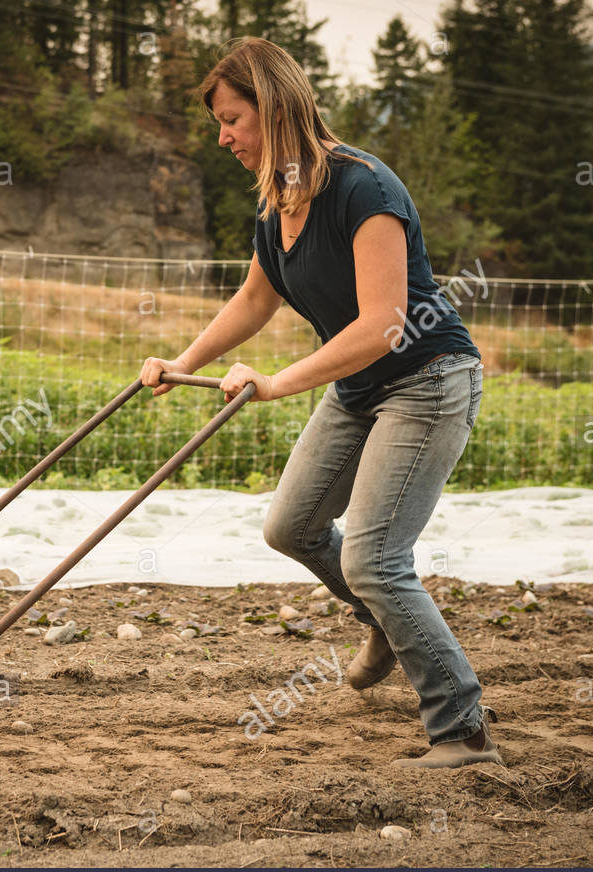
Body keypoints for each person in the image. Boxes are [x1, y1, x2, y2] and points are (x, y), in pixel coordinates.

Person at [140, 37, 500, 769]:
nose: (223, 137)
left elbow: (384, 325)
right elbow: (252, 299)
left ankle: (462, 730)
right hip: (361, 388)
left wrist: (274, 382)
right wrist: (182, 363)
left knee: (374, 554)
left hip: (429, 378)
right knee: (291, 525)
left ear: (272, 108)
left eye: (232, 119)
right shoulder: (279, 210)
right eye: (219, 123)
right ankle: (383, 621)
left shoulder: (363, 189)